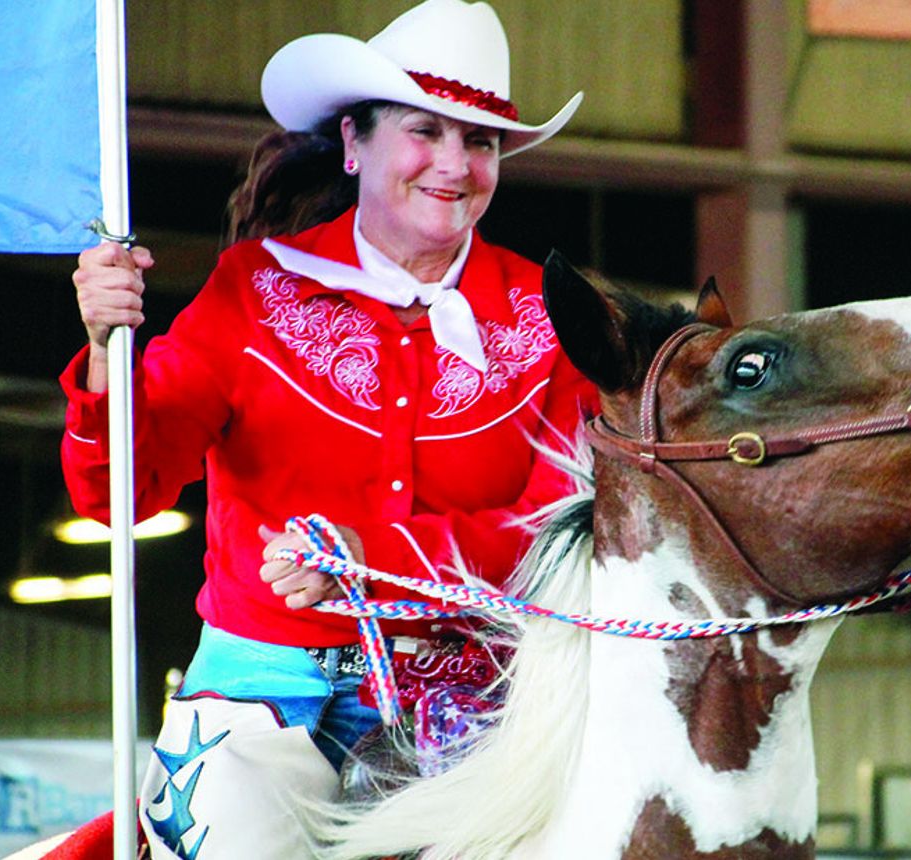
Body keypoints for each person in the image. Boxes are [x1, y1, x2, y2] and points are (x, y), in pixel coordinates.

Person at [62, 1, 592, 856]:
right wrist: (101, 354)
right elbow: (116, 494)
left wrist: (365, 559)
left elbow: (554, 538)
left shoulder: (553, 317)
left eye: (482, 142)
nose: (456, 165)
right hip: (256, 701)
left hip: (479, 706)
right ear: (354, 143)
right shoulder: (249, 291)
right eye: (426, 131)